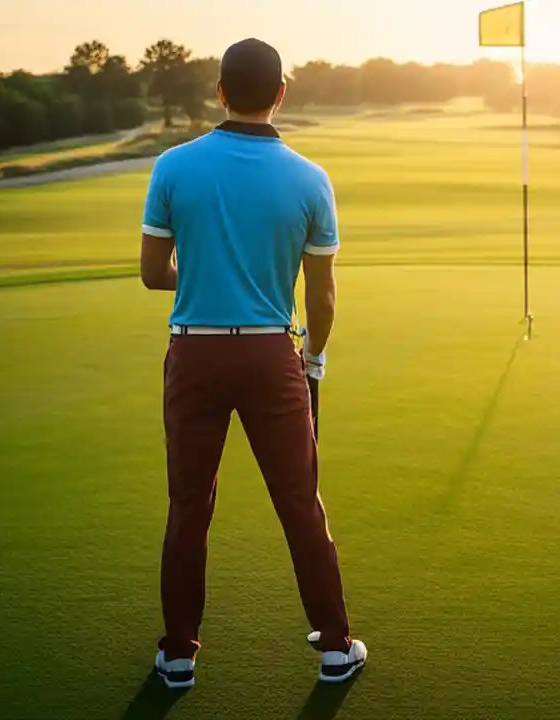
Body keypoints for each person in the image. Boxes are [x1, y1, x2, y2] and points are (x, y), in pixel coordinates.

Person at [138, 37, 366, 688]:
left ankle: (178, 654)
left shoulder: (172, 167)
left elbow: (154, 274)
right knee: (301, 504)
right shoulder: (309, 178)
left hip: (194, 353)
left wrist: (200, 274)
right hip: (272, 354)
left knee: (189, 508)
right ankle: (334, 647)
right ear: (281, 94)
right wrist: (314, 357)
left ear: (219, 91)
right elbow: (321, 295)